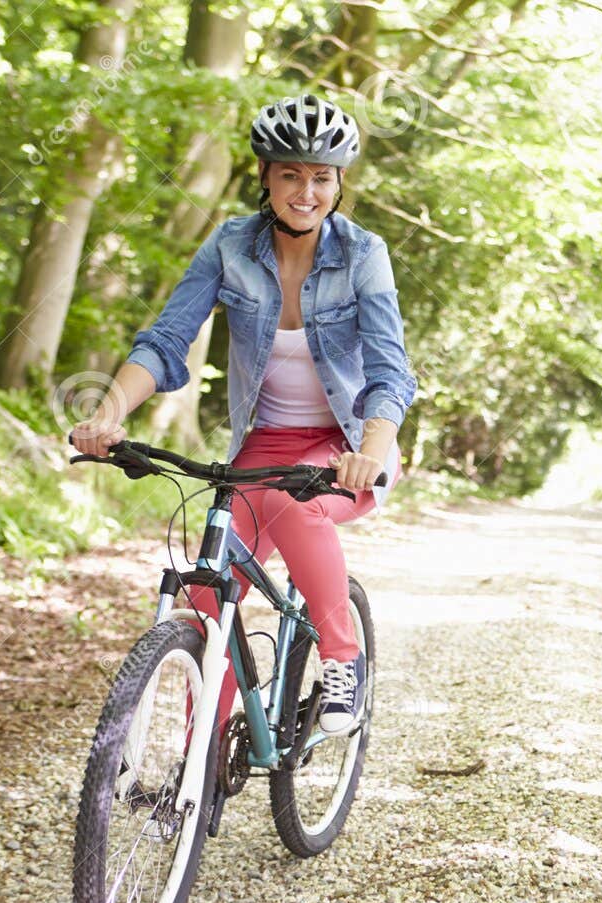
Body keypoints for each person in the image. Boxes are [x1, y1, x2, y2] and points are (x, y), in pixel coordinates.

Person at [71, 94, 416, 736]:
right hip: (265, 444)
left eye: (320, 176)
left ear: (339, 183)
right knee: (207, 596)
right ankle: (201, 754)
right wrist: (109, 412)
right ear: (265, 176)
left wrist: (371, 448)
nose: (305, 191)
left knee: (293, 506)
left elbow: (390, 372)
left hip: (349, 445)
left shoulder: (364, 254)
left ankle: (344, 657)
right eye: (290, 173)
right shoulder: (230, 246)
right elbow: (166, 340)